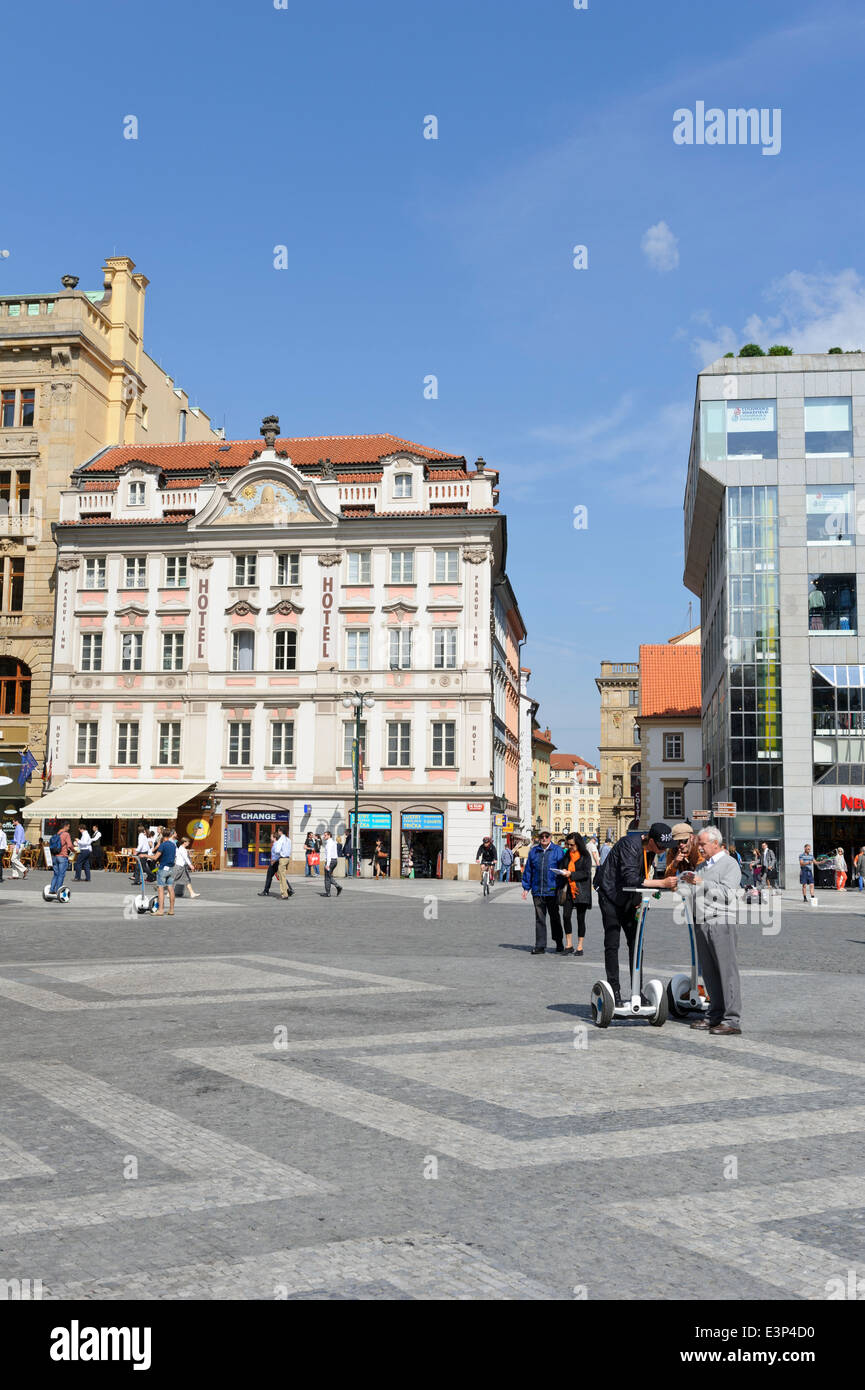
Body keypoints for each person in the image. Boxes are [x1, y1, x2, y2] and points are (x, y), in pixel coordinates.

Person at [593, 822, 677, 1005]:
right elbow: (631, 878)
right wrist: (662, 884)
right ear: (651, 840)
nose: (663, 850)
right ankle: (614, 991)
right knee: (612, 944)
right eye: (661, 846)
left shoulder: (652, 850)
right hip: (610, 896)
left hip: (629, 898)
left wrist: (640, 900)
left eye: (666, 847)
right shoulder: (629, 845)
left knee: (637, 943)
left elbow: (642, 877)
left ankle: (637, 992)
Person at [678, 825, 743, 1035]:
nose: (700, 848)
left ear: (715, 843)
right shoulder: (702, 866)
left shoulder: (729, 864)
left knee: (727, 971)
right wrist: (682, 884)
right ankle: (714, 1015)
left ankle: (731, 1020)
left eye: (703, 844)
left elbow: (727, 893)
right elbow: (696, 888)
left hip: (721, 921)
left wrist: (702, 882)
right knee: (709, 972)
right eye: (699, 844)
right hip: (702, 921)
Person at [521, 828, 567, 955]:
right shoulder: (534, 851)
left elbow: (563, 869)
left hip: (552, 890)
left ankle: (559, 942)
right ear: (539, 837)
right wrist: (526, 887)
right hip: (537, 890)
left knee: (555, 918)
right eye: (542, 836)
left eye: (547, 836)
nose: (544, 838)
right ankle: (540, 945)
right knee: (540, 919)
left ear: (551, 837)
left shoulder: (558, 851)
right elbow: (529, 870)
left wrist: (561, 886)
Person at [559, 831, 592, 957]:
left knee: (580, 919)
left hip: (581, 890)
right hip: (568, 889)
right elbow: (562, 865)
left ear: (578, 844)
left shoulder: (585, 856)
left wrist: (571, 874)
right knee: (566, 916)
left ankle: (579, 946)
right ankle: (568, 945)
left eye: (571, 845)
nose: (569, 847)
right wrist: (562, 870)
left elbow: (586, 873)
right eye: (568, 844)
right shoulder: (567, 855)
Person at [149, 830, 177, 916]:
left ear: (162, 835)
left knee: (160, 889)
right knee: (171, 889)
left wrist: (145, 855)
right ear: (169, 835)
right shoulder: (173, 845)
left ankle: (160, 910)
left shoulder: (163, 845)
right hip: (171, 869)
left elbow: (155, 857)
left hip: (163, 869)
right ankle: (171, 910)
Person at [49, 821, 73, 897]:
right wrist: (74, 850)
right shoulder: (66, 834)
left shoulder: (57, 834)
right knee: (61, 875)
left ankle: (52, 890)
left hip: (55, 857)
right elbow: (69, 845)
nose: (69, 828)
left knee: (56, 874)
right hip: (62, 856)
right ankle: (58, 891)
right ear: (65, 826)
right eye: (68, 827)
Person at [274, 826, 293, 899]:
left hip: (282, 859)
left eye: (278, 831)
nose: (278, 833)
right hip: (287, 858)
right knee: (281, 875)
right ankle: (287, 889)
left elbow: (277, 850)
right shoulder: (288, 840)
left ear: (280, 831)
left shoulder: (280, 840)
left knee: (282, 877)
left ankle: (284, 894)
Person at [321, 830, 343, 897]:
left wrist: (327, 864)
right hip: (334, 861)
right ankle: (337, 887)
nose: (324, 836)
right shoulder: (333, 842)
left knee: (327, 877)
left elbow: (329, 854)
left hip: (330, 861)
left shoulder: (329, 843)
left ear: (329, 835)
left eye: (325, 835)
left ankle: (329, 892)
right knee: (329, 876)